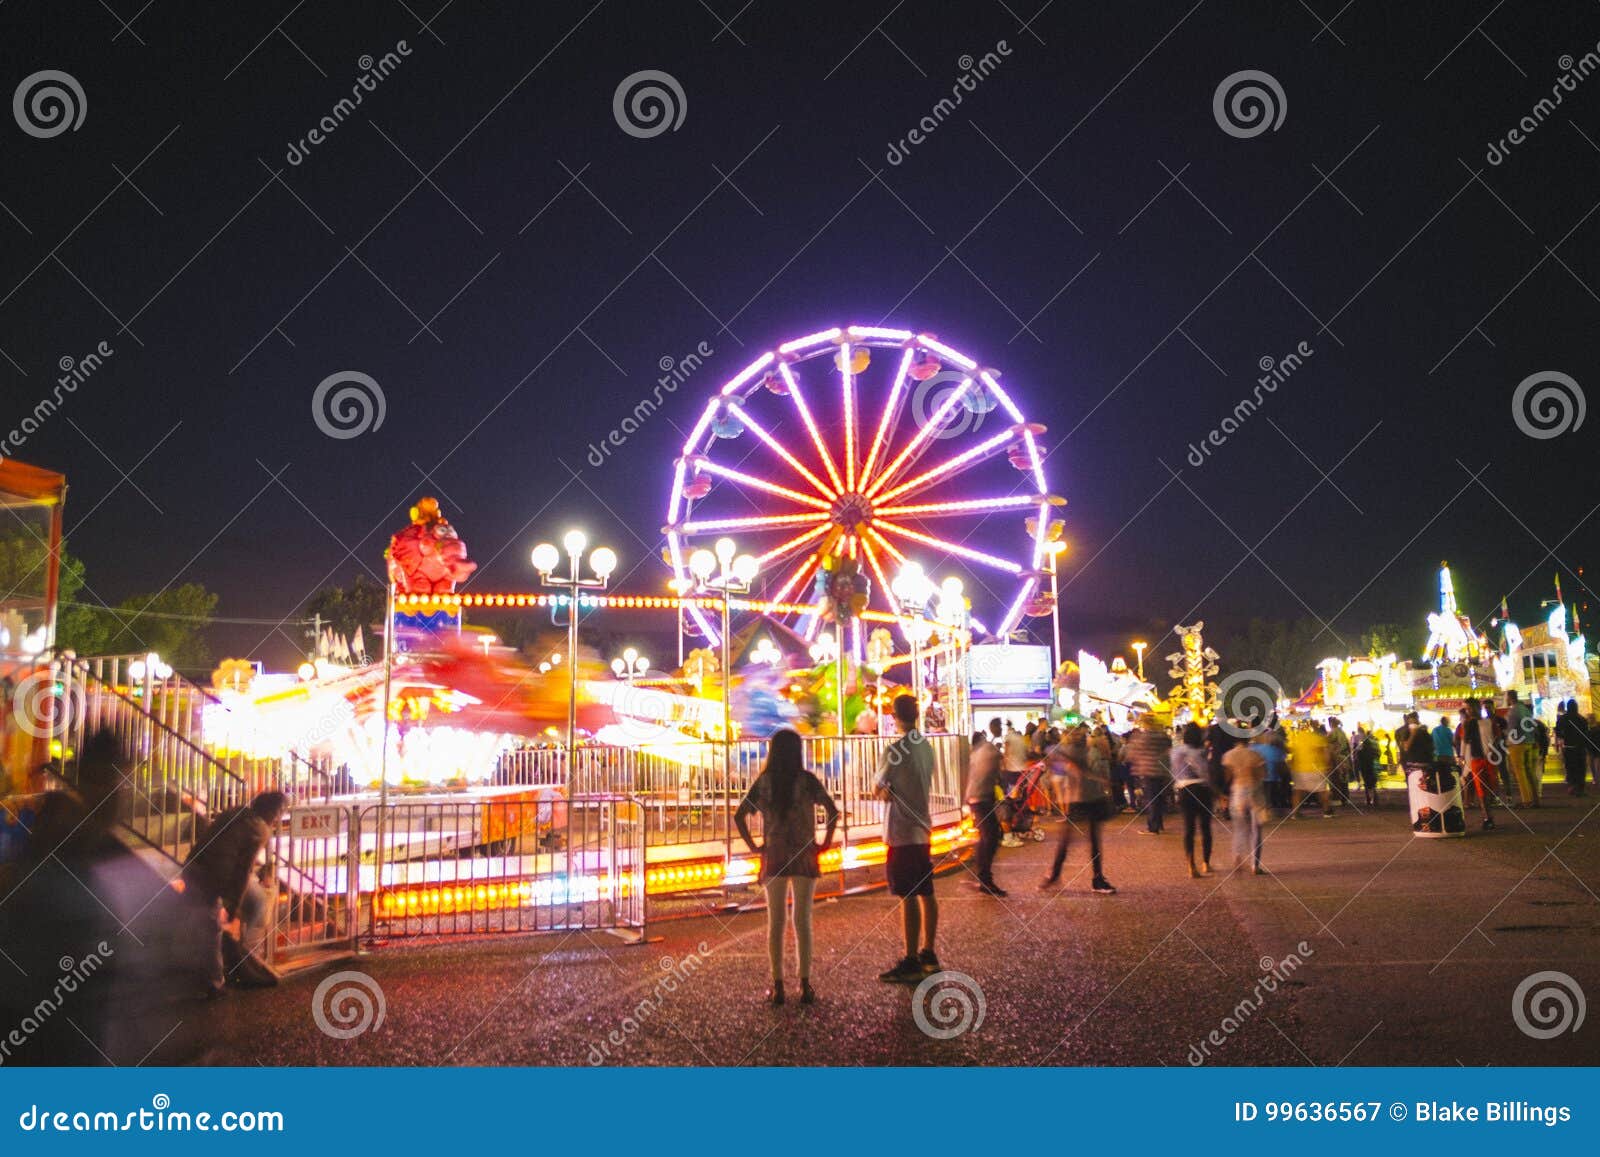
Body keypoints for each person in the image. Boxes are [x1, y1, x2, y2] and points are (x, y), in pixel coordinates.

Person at [735, 729, 839, 1005]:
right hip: (804, 853)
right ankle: (805, 984)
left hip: (775, 854)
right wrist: (824, 841)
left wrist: (755, 846)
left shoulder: (766, 782)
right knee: (803, 921)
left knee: (776, 922)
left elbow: (739, 815)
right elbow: (833, 810)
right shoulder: (806, 781)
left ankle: (778, 984)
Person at [181, 790, 289, 994]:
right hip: (211, 877)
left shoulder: (234, 813)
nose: (279, 817)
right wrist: (232, 904)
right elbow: (242, 870)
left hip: (193, 867)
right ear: (273, 812)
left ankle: (230, 965)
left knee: (205, 924)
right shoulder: (259, 828)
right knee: (213, 926)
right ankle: (216, 982)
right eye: (280, 812)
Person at [876, 695, 941, 983]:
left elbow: (879, 788)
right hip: (923, 828)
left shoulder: (894, 750)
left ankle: (911, 958)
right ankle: (929, 952)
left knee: (908, 895)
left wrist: (886, 791)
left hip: (902, 830)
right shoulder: (926, 748)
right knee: (926, 891)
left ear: (894, 716)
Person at [1039, 725, 1116, 894]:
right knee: (1093, 842)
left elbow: (1049, 751)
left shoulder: (1065, 752)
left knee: (1066, 842)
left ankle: (1054, 875)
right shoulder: (1088, 752)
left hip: (1076, 800)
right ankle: (1097, 879)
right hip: (1091, 799)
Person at [963, 726, 1006, 897]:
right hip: (981, 798)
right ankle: (983, 878)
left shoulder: (976, 753)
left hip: (977, 798)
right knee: (990, 837)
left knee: (987, 836)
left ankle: (982, 874)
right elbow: (1000, 762)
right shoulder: (988, 750)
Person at [1171, 722, 1214, 877]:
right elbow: (1205, 772)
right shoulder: (1200, 752)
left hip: (1184, 790)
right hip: (1201, 789)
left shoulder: (1176, 752)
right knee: (1205, 828)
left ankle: (1191, 865)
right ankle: (1206, 863)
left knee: (1189, 829)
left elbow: (1173, 771)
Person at [1225, 732, 1269, 874]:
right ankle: (1255, 866)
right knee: (1257, 830)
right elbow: (1263, 774)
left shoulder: (1228, 756)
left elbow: (1227, 777)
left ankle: (1237, 856)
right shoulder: (1255, 755)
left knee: (1240, 828)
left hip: (1238, 791)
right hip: (1255, 791)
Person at [1455, 700, 1497, 830]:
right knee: (1481, 789)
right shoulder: (1468, 724)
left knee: (1492, 787)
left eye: (1469, 708)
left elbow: (1497, 737)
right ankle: (1487, 817)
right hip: (1476, 759)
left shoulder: (1488, 722)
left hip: (1489, 758)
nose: (1468, 711)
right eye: (1466, 709)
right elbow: (1464, 741)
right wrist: (1461, 756)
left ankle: (1488, 814)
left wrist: (1494, 749)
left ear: (1475, 708)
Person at [1126, 716, 1171, 833]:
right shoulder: (1163, 736)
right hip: (1162, 770)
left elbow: (1132, 754)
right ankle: (1159, 823)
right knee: (1159, 798)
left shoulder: (1142, 737)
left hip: (1148, 770)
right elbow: (1168, 749)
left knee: (1151, 798)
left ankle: (1153, 827)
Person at [1288, 723, 1332, 818]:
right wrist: (1328, 765)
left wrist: (1291, 766)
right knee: (1322, 791)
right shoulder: (1318, 738)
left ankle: (1295, 813)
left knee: (1298, 791)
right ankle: (1327, 811)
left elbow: (1293, 754)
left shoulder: (1297, 739)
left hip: (1299, 769)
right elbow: (1326, 753)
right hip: (1316, 768)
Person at [1504, 690, 1539, 808]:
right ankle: (1535, 798)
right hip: (1529, 742)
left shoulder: (1513, 711)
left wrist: (1507, 740)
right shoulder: (1525, 709)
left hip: (1517, 744)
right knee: (1529, 772)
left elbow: (1511, 729)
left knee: (1520, 773)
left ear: (1509, 698)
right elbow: (1533, 725)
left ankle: (1526, 800)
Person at [1555, 699, 1590, 798]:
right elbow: (1586, 734)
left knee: (1570, 767)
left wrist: (1563, 737)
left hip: (1568, 746)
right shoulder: (1582, 719)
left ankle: (1572, 786)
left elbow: (1558, 731)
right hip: (1580, 747)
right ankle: (1580, 788)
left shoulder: (1563, 719)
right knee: (1581, 768)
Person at [1354, 724, 1379, 806]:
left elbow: (1358, 752)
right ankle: (1374, 797)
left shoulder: (1360, 742)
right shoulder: (1373, 742)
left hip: (1364, 764)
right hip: (1371, 763)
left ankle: (1369, 798)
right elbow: (1377, 753)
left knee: (1366, 781)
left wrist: (1357, 755)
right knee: (1372, 781)